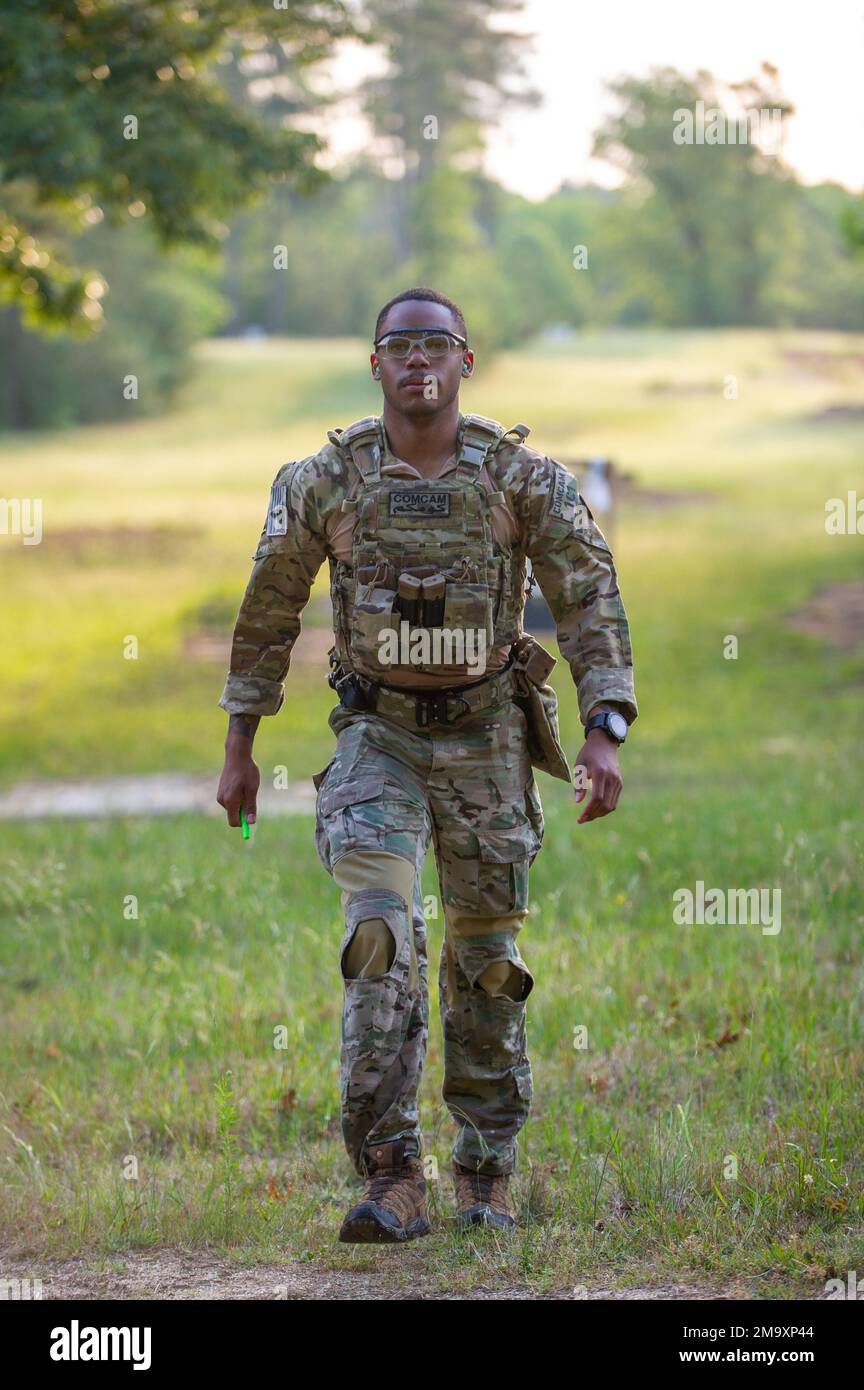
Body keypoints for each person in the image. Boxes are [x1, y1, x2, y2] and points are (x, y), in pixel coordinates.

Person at [216, 286, 637, 1243]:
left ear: (465, 361)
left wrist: (602, 727)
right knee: (379, 944)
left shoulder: (520, 477)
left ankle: (486, 1172)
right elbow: (269, 606)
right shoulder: (324, 479)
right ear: (375, 365)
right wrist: (240, 747)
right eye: (400, 347)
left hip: (488, 735)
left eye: (436, 345)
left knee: (487, 962)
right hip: (379, 735)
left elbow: (588, 594)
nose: (418, 361)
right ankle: (389, 1173)